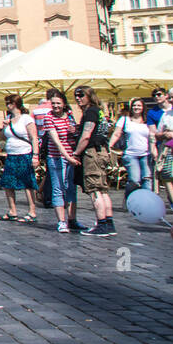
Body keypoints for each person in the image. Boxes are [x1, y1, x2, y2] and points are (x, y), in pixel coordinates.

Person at [73, 86, 116, 237]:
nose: (78, 98)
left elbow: (86, 136)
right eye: (76, 96)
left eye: (81, 95)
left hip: (92, 153)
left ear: (89, 96)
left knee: (95, 189)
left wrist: (76, 153)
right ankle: (109, 223)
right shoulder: (99, 111)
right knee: (103, 188)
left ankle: (102, 224)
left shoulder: (90, 112)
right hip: (102, 150)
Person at [40, 88, 80, 232]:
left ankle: (72, 219)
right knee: (58, 189)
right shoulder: (49, 117)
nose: (56, 106)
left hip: (71, 157)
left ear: (64, 104)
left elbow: (75, 135)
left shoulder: (69, 116)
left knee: (71, 188)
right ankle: (61, 221)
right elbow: (56, 140)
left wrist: (74, 131)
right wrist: (68, 157)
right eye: (53, 103)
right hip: (56, 157)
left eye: (58, 103)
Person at [0, 94, 40, 222]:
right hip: (11, 154)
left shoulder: (26, 118)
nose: (7, 106)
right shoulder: (8, 118)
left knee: (28, 183)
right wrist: (4, 127)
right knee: (8, 183)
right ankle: (12, 211)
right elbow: (3, 138)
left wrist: (35, 156)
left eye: (8, 103)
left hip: (24, 153)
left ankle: (32, 211)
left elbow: (34, 138)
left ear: (14, 104)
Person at [110, 97, 156, 194]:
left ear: (143, 107)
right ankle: (129, 198)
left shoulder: (148, 120)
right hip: (130, 154)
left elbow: (153, 135)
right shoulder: (125, 119)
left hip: (146, 154)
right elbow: (116, 133)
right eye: (134, 105)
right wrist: (109, 146)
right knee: (135, 180)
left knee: (147, 179)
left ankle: (146, 203)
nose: (136, 107)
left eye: (139, 105)